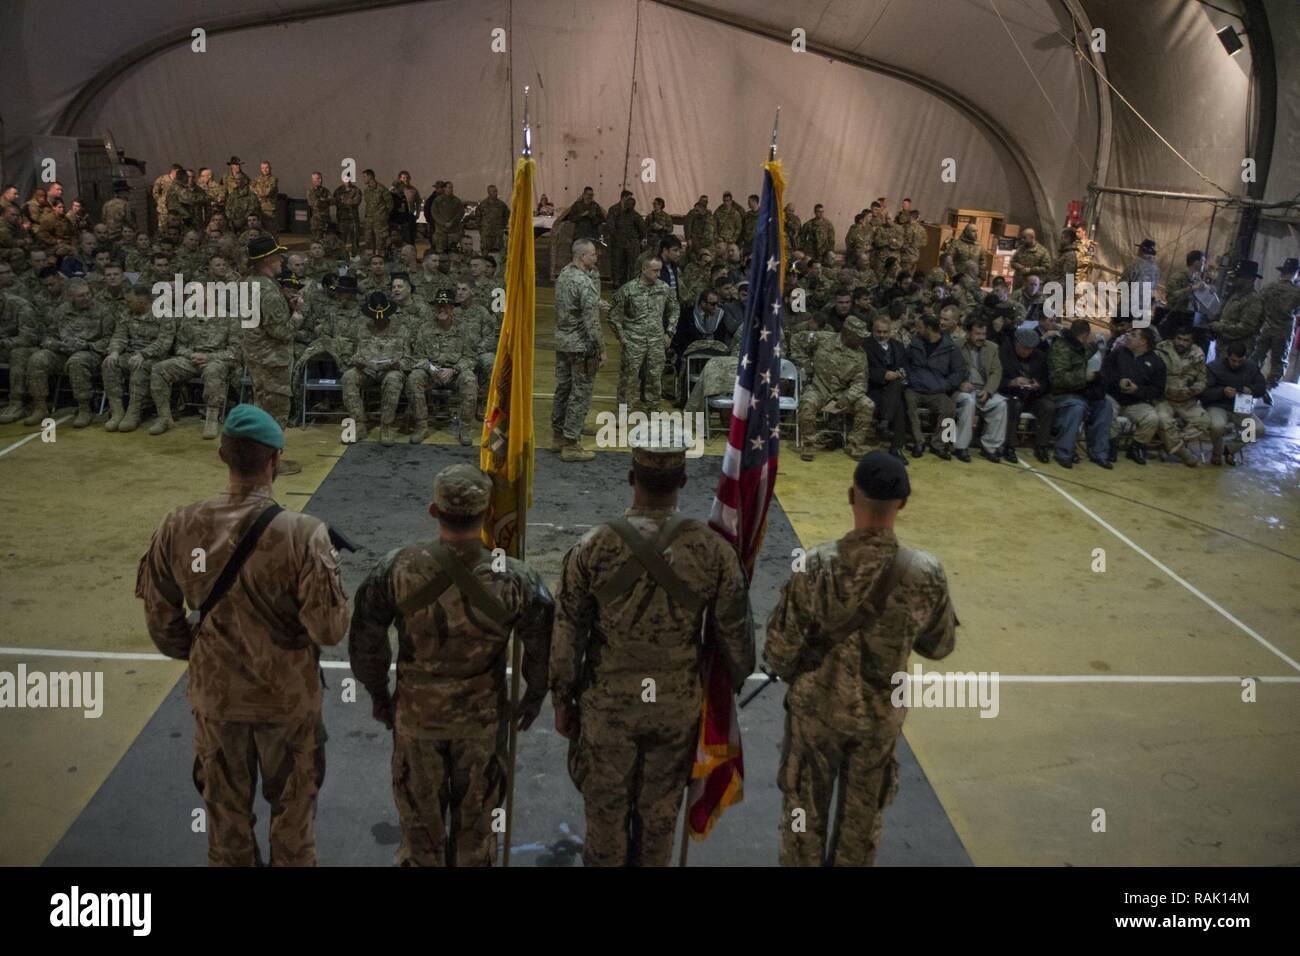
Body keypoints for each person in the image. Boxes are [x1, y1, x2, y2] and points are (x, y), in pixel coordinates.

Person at [136, 404, 348, 865]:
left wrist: (199, 652)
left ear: (221, 455)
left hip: (218, 702)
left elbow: (161, 619)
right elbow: (328, 630)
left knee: (226, 828)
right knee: (293, 828)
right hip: (287, 705)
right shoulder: (305, 534)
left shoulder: (179, 524)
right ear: (275, 460)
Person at [550, 440, 754, 867]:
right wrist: (729, 684)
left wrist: (562, 701)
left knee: (605, 822)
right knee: (659, 822)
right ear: (682, 481)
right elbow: (737, 641)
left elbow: (567, 631)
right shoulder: (713, 551)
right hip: (675, 708)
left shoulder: (593, 547)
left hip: (607, 708)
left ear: (630, 479)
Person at [348, 463, 553, 866]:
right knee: (476, 838)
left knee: (421, 837)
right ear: (488, 511)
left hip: (417, 721)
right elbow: (544, 641)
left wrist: (378, 694)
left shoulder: (396, 567)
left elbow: (367, 641)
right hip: (482, 725)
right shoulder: (515, 578)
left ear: (433, 510)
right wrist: (535, 692)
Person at [765, 450, 956, 866]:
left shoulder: (814, 567)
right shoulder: (924, 572)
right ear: (902, 503)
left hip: (815, 717)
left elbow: (778, 653)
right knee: (861, 826)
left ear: (852, 495)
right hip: (877, 719)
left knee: (802, 820)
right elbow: (939, 646)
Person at [22, 277, 114, 428]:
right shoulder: (62, 310)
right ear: (71, 297)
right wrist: (56, 345)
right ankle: (40, 407)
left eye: (87, 294)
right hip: (63, 352)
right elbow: (49, 334)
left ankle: (84, 408)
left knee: (77, 361)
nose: (86, 298)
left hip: (91, 353)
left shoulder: (103, 311)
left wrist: (87, 345)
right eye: (81, 296)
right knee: (37, 359)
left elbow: (108, 339)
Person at [792, 313, 875, 461]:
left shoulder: (860, 355)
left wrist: (847, 397)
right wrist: (805, 362)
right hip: (819, 388)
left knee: (867, 404)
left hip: (843, 393)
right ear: (848, 333)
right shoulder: (824, 338)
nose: (862, 339)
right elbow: (796, 340)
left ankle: (854, 444)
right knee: (807, 403)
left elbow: (861, 383)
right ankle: (808, 444)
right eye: (859, 336)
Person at [552, 239, 607, 462]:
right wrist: (601, 348)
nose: (596, 258)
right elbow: (591, 321)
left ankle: (558, 435)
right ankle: (571, 444)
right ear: (582, 256)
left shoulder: (564, 274)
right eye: (593, 254)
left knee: (563, 388)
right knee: (580, 392)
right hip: (581, 345)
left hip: (563, 341)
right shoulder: (584, 282)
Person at [103, 282, 175, 433]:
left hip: (155, 356)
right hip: (131, 354)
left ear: (142, 302)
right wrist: (115, 351)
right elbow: (119, 335)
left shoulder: (164, 313)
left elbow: (164, 342)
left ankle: (133, 412)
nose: (126, 304)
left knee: (139, 367)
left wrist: (143, 354)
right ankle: (117, 411)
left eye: (130, 301)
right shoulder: (126, 313)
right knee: (109, 364)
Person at [407, 290, 476, 445]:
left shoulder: (464, 329)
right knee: (414, 378)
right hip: (432, 372)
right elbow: (418, 356)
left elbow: (471, 357)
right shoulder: (425, 328)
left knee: (470, 380)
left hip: (455, 373)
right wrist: (432, 369)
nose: (442, 310)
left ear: (452, 308)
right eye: (439, 306)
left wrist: (454, 370)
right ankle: (421, 426)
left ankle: (465, 429)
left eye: (446, 306)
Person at [609, 255, 676, 413]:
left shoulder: (664, 288)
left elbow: (674, 309)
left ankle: (653, 407)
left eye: (660, 270)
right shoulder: (628, 290)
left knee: (654, 376)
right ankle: (623, 411)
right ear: (644, 269)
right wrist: (622, 337)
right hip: (633, 341)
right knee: (629, 378)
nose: (658, 274)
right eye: (655, 270)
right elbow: (613, 316)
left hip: (656, 341)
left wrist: (670, 332)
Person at [343, 291, 411, 444]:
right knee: (348, 377)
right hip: (366, 370)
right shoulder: (361, 328)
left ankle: (386, 426)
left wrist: (398, 364)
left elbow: (409, 359)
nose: (379, 321)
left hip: (391, 370)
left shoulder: (401, 329)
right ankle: (358, 424)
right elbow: (348, 351)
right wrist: (356, 361)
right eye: (375, 317)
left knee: (393, 379)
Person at [1048, 318, 1112, 469]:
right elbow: (1058, 379)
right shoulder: (1061, 348)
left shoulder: (1079, 346)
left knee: (1105, 405)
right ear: (1084, 335)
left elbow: (1087, 352)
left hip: (1080, 392)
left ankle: (1099, 453)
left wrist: (1097, 345)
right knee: (1077, 406)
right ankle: (1064, 452)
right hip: (1061, 394)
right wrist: (1085, 377)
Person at [903, 313, 966, 460]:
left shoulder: (950, 348)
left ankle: (940, 444)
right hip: (915, 388)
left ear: (929, 328)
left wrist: (946, 385)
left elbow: (959, 371)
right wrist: (910, 378)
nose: (917, 330)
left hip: (937, 390)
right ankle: (919, 441)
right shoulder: (914, 343)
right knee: (908, 405)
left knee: (949, 408)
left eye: (920, 327)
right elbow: (905, 363)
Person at [1105, 326, 1166, 466]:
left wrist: (1137, 390)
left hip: (1136, 401)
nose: (1128, 337)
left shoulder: (1157, 363)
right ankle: (1111, 444)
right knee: (1107, 408)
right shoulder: (1118, 353)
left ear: (1143, 342)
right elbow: (1105, 372)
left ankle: (1136, 447)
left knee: (1152, 418)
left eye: (1133, 335)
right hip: (1114, 396)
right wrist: (1117, 381)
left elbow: (1157, 390)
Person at [1153, 324, 1209, 468]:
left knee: (1204, 421)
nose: (1181, 343)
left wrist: (1194, 389)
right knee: (1163, 420)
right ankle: (1183, 453)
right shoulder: (1161, 351)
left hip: (1187, 400)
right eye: (1179, 339)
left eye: (1186, 340)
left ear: (1191, 342)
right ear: (1173, 338)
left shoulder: (1198, 356)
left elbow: (1203, 381)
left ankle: (1170, 443)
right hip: (1164, 399)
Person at [1203, 341, 1266, 466]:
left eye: (1240, 361)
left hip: (1241, 407)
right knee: (1217, 426)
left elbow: (1262, 388)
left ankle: (1229, 449)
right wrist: (1222, 391)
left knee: (1258, 429)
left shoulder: (1252, 367)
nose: (1236, 364)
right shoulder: (1214, 367)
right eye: (1233, 361)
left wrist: (1252, 390)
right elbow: (1204, 393)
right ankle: (1217, 451)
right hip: (1218, 406)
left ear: (1245, 358)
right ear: (1227, 356)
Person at [997, 327, 1053, 464]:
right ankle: (1009, 446)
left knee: (1048, 407)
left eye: (1029, 349)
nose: (1026, 352)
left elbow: (1047, 382)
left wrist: (1038, 385)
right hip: (1010, 394)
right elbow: (995, 378)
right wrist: (1012, 382)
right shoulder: (1003, 354)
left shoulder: (1040, 357)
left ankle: (1042, 446)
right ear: (1016, 343)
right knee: (1014, 405)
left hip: (1032, 396)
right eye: (1023, 348)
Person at [956, 318, 1009, 463]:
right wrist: (960, 384)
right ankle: (961, 447)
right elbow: (950, 370)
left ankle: (989, 448)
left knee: (1001, 404)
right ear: (968, 333)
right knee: (969, 402)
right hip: (963, 389)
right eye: (977, 334)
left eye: (983, 334)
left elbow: (996, 372)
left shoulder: (992, 348)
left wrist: (988, 390)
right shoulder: (957, 346)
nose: (981, 337)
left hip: (983, 389)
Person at [864, 314, 908, 462]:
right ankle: (896, 448)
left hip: (894, 388)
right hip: (874, 389)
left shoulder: (898, 346)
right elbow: (863, 370)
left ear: (890, 332)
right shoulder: (865, 346)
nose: (882, 335)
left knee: (896, 387)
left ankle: (884, 423)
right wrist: (883, 375)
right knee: (899, 406)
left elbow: (905, 366)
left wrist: (901, 372)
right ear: (873, 331)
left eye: (885, 332)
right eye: (879, 332)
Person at [1255, 257, 1300, 390]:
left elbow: (1258, 308)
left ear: (1282, 272)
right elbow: (1297, 311)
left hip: (1266, 328)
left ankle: (1251, 382)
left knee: (1257, 357)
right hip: (1283, 332)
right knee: (1279, 362)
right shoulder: (1297, 292)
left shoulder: (1268, 288)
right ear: (1295, 273)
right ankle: (1268, 387)